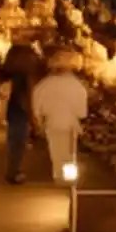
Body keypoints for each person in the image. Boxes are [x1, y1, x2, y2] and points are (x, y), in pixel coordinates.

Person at [32, 50, 88, 184]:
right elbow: (82, 112)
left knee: (56, 151)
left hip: (52, 123)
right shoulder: (77, 86)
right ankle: (68, 178)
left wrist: (38, 121)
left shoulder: (44, 84)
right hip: (70, 124)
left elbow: (36, 105)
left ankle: (58, 176)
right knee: (69, 153)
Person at [0, 45, 39, 184]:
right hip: (19, 112)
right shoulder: (22, 77)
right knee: (18, 143)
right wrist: (33, 117)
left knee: (15, 143)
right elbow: (27, 98)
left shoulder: (6, 75)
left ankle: (14, 171)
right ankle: (14, 173)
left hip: (12, 111)